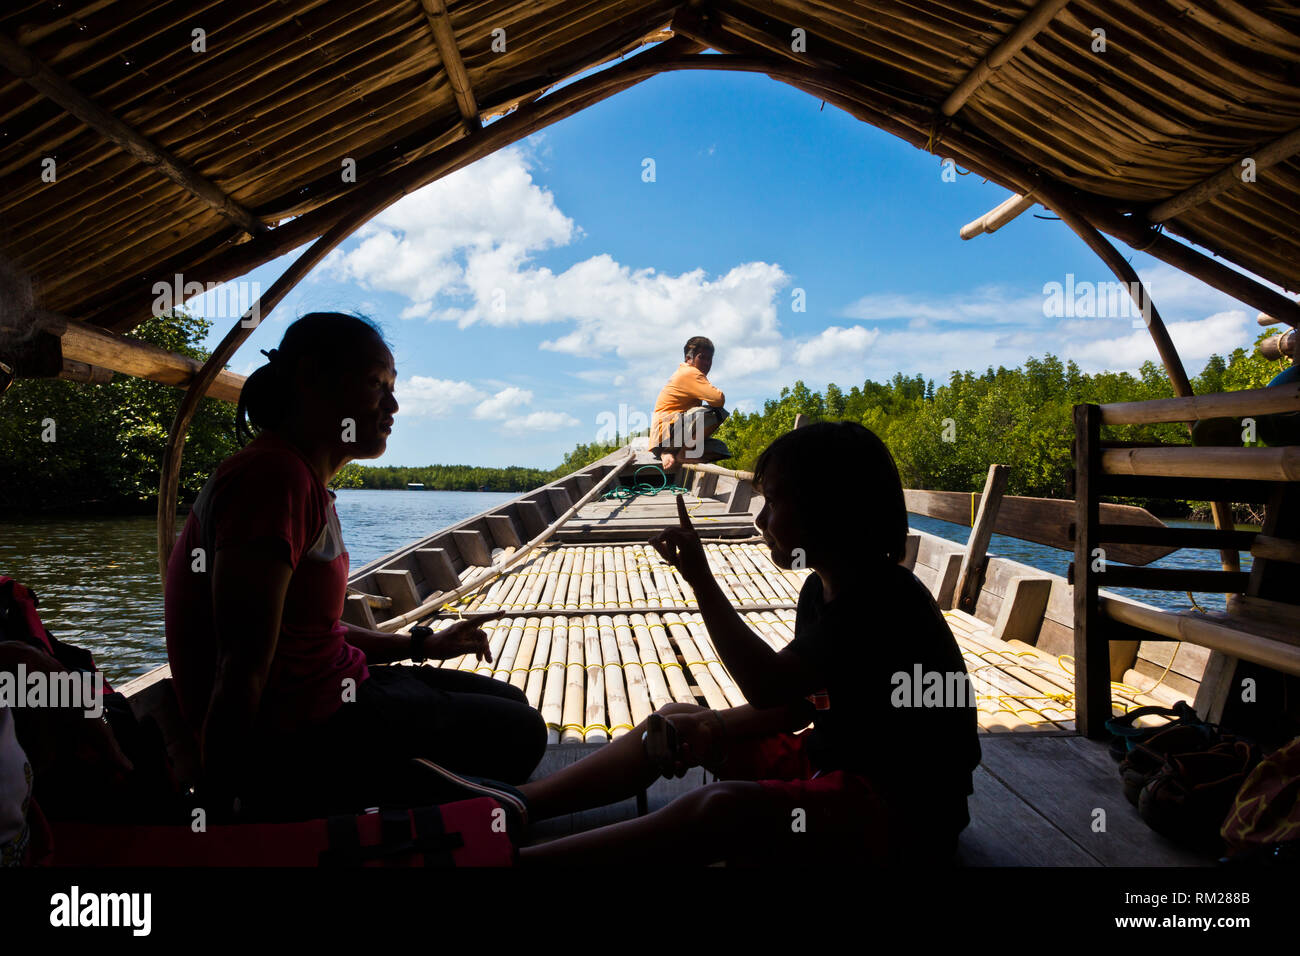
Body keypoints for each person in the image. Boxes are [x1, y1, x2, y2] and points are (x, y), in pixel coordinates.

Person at [514, 422, 981, 865]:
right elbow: (801, 706)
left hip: (899, 817)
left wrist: (702, 580)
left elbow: (766, 686)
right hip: (833, 765)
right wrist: (711, 729)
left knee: (720, 809)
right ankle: (517, 803)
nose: (760, 519)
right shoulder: (820, 590)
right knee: (679, 720)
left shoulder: (881, 599)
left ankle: (513, 863)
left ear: (830, 511)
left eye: (774, 503)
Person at [164, 312, 546, 820]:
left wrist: (422, 644)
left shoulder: (303, 480)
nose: (392, 404)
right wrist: (223, 810)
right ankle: (378, 792)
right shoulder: (272, 479)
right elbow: (240, 666)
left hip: (341, 689)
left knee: (514, 704)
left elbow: (310, 632)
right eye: (375, 384)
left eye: (392, 387)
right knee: (521, 734)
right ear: (309, 380)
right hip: (308, 735)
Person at [650, 336, 731, 470]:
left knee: (720, 449)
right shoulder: (690, 372)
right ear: (689, 359)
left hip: (661, 440)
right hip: (667, 434)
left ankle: (668, 453)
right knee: (715, 412)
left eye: (709, 359)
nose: (706, 363)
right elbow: (718, 400)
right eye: (702, 357)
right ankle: (683, 454)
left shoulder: (685, 372)